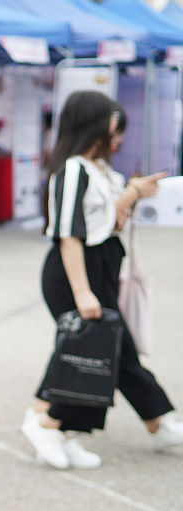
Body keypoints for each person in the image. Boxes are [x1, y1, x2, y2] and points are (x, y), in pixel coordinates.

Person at [20, 94, 179, 469]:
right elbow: (69, 234)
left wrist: (133, 196)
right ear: (92, 124)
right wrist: (82, 292)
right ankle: (48, 423)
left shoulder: (103, 171)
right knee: (95, 348)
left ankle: (64, 429)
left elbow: (104, 222)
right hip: (75, 271)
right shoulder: (73, 170)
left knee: (103, 348)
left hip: (101, 266)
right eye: (114, 126)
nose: (119, 136)